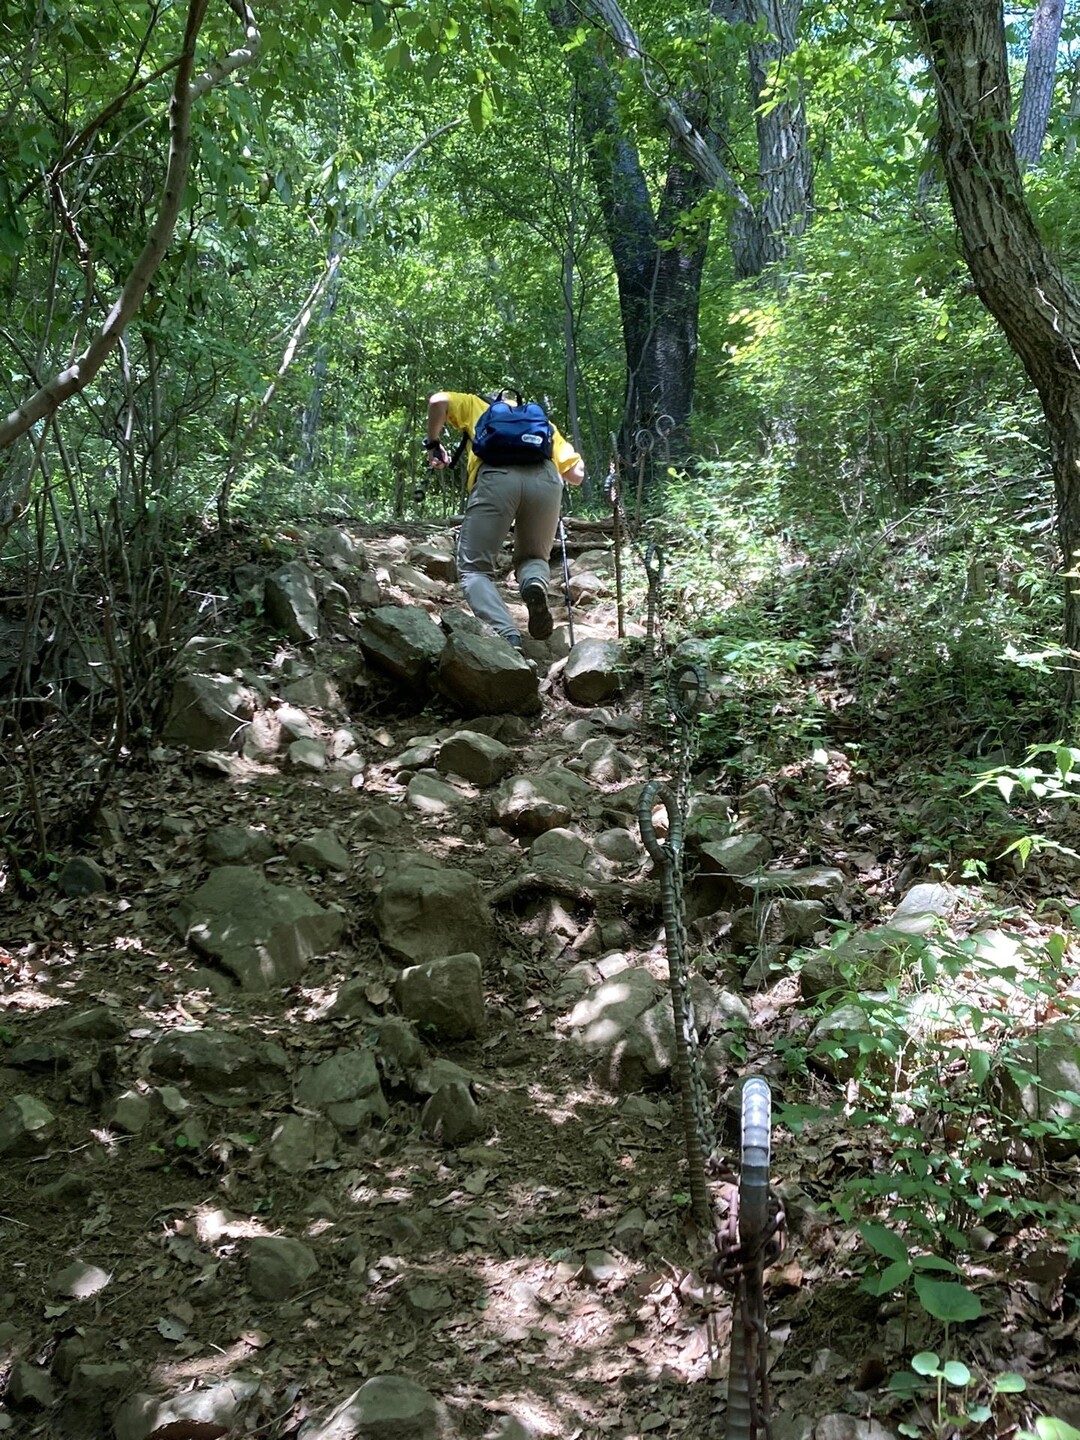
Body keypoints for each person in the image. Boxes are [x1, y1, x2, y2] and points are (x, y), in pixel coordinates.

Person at [424, 390, 584, 649]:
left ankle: (505, 635)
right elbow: (577, 474)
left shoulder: (477, 406)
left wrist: (433, 443)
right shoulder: (542, 424)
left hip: (496, 478)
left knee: (474, 569)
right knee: (533, 558)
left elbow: (437, 401)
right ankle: (533, 582)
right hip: (545, 480)